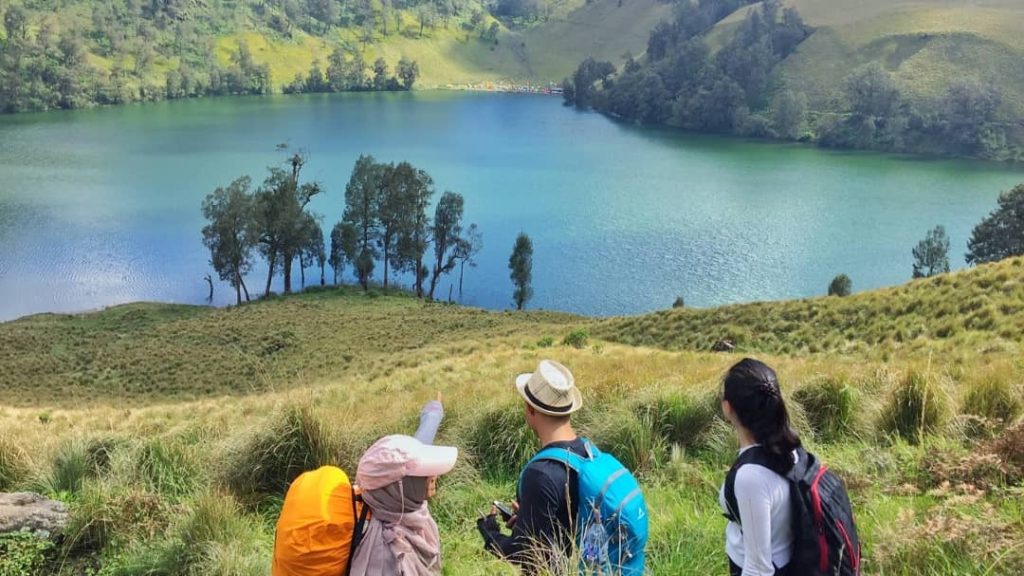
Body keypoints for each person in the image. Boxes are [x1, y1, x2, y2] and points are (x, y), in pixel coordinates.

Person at [477, 360, 648, 576]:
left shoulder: (540, 473)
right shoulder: (588, 453)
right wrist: (528, 519)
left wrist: (490, 532)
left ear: (530, 409)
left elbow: (525, 554)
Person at [349, 395, 457, 576]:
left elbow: (422, 439)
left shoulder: (402, 511)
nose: (433, 476)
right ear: (398, 489)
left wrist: (435, 410)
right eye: (422, 473)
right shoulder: (386, 560)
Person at [719, 358, 802, 576]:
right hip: (788, 560)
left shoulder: (750, 476)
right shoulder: (790, 450)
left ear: (728, 408)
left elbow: (758, 568)